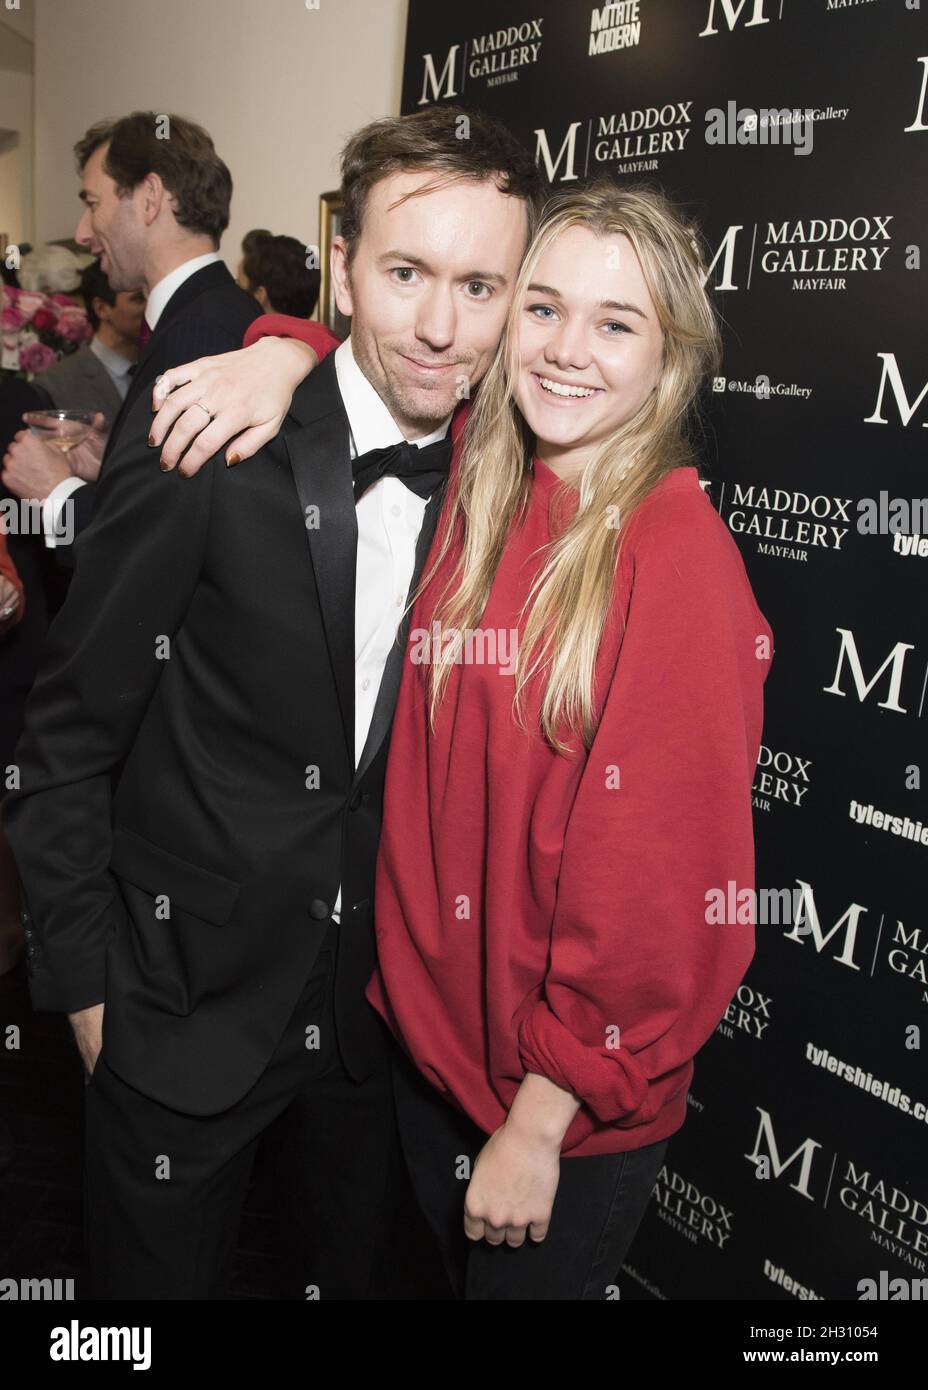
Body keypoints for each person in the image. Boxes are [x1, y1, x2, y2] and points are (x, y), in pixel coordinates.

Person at [147, 178, 773, 1299]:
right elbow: (386, 363)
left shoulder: (672, 558)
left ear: (670, 357)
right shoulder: (500, 469)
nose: (568, 351)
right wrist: (281, 347)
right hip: (429, 1069)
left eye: (616, 323)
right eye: (542, 308)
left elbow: (662, 900)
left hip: (553, 1123)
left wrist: (541, 1120)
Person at [2, 104, 544, 1300]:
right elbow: (69, 732)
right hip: (175, 1006)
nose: (441, 327)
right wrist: (87, 995)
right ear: (342, 264)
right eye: (406, 272)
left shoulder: (506, 472)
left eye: (480, 285)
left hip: (377, 1030)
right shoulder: (209, 436)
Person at [1, 110, 260, 566]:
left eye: (93, 203)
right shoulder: (209, 314)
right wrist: (117, 466)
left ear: (149, 198)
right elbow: (179, 497)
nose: (83, 232)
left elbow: (165, 549)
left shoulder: (198, 337)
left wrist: (55, 492)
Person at [30, 258, 146, 424]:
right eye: (139, 299)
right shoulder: (56, 385)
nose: (151, 305)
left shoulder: (163, 365)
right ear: (102, 308)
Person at [237, 229, 320, 318]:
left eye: (240, 287)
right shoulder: (325, 332)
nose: (235, 296)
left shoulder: (236, 329)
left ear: (259, 296)